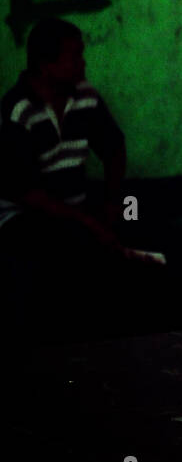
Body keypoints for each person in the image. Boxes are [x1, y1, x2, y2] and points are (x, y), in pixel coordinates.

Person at [0, 18, 134, 328]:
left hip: (76, 208)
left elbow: (114, 148)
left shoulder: (85, 97)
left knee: (133, 221)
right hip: (23, 217)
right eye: (74, 55)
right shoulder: (18, 109)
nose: (83, 63)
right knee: (66, 251)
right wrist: (88, 223)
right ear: (46, 65)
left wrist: (114, 202)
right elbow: (25, 192)